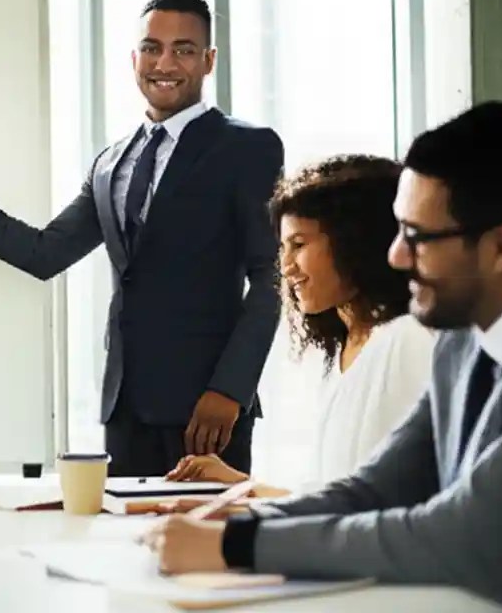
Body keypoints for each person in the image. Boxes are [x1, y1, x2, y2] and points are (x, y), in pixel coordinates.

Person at [145, 101, 502, 613]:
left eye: (417, 237)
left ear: (501, 248)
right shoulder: (461, 345)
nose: (395, 255)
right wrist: (241, 521)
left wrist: (235, 546)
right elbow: (373, 488)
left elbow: (462, 533)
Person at [0, 0, 284, 476]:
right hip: (125, 410)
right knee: (125, 547)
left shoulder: (247, 147)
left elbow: (271, 276)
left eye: (184, 49)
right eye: (152, 47)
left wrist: (230, 389)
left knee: (203, 548)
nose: (165, 62)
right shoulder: (111, 162)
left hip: (208, 413)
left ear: (208, 61)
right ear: (133, 58)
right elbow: (44, 252)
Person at [166, 155, 434, 489]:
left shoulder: (407, 341)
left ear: (355, 241)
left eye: (299, 244)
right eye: (283, 248)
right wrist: (239, 486)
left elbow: (365, 506)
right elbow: (333, 496)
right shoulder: (342, 352)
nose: (287, 266)